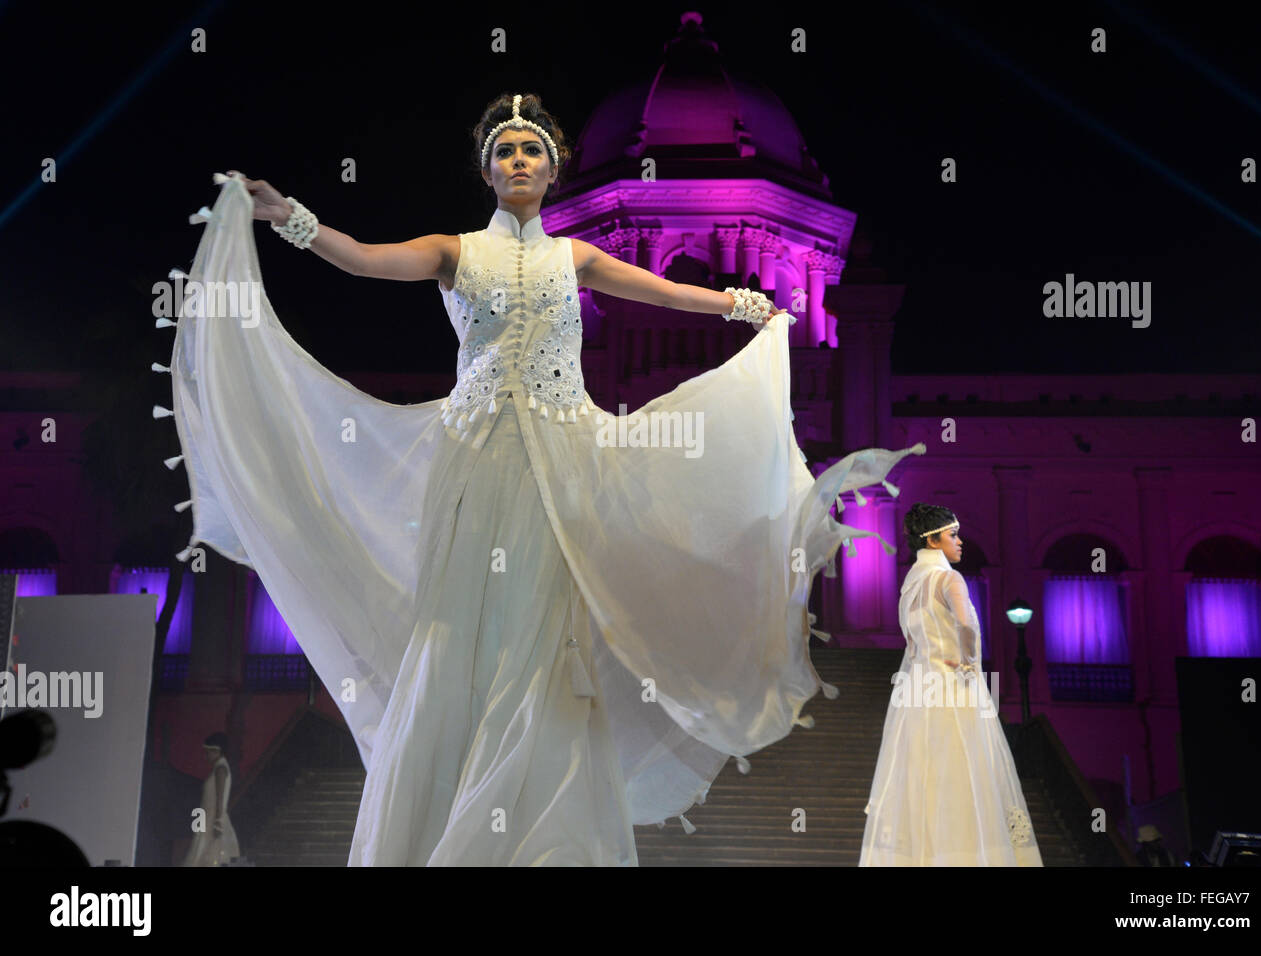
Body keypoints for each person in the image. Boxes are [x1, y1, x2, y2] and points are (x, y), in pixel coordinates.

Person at [161, 92, 925, 865]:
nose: (519, 161)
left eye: (532, 151)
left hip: (563, 457)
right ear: (488, 170)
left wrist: (744, 305)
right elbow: (360, 257)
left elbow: (662, 292)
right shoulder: (453, 250)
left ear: (554, 171)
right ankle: (452, 815)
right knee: (463, 631)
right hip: (479, 457)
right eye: (505, 151)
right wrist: (285, 212)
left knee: (546, 636)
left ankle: (538, 827)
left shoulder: (577, 258)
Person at [860, 504, 1043, 866]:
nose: (961, 542)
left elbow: (912, 645)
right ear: (932, 539)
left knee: (924, 774)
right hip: (951, 685)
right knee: (965, 771)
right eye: (953, 534)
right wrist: (970, 662)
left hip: (918, 691)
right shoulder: (948, 579)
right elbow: (968, 626)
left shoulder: (910, 585)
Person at [180, 733, 240, 866]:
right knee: (198, 851)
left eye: (208, 752)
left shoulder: (221, 769)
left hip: (213, 818)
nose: (205, 756)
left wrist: (218, 822)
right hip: (205, 817)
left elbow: (220, 797)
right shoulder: (217, 768)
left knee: (210, 853)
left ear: (216, 751)